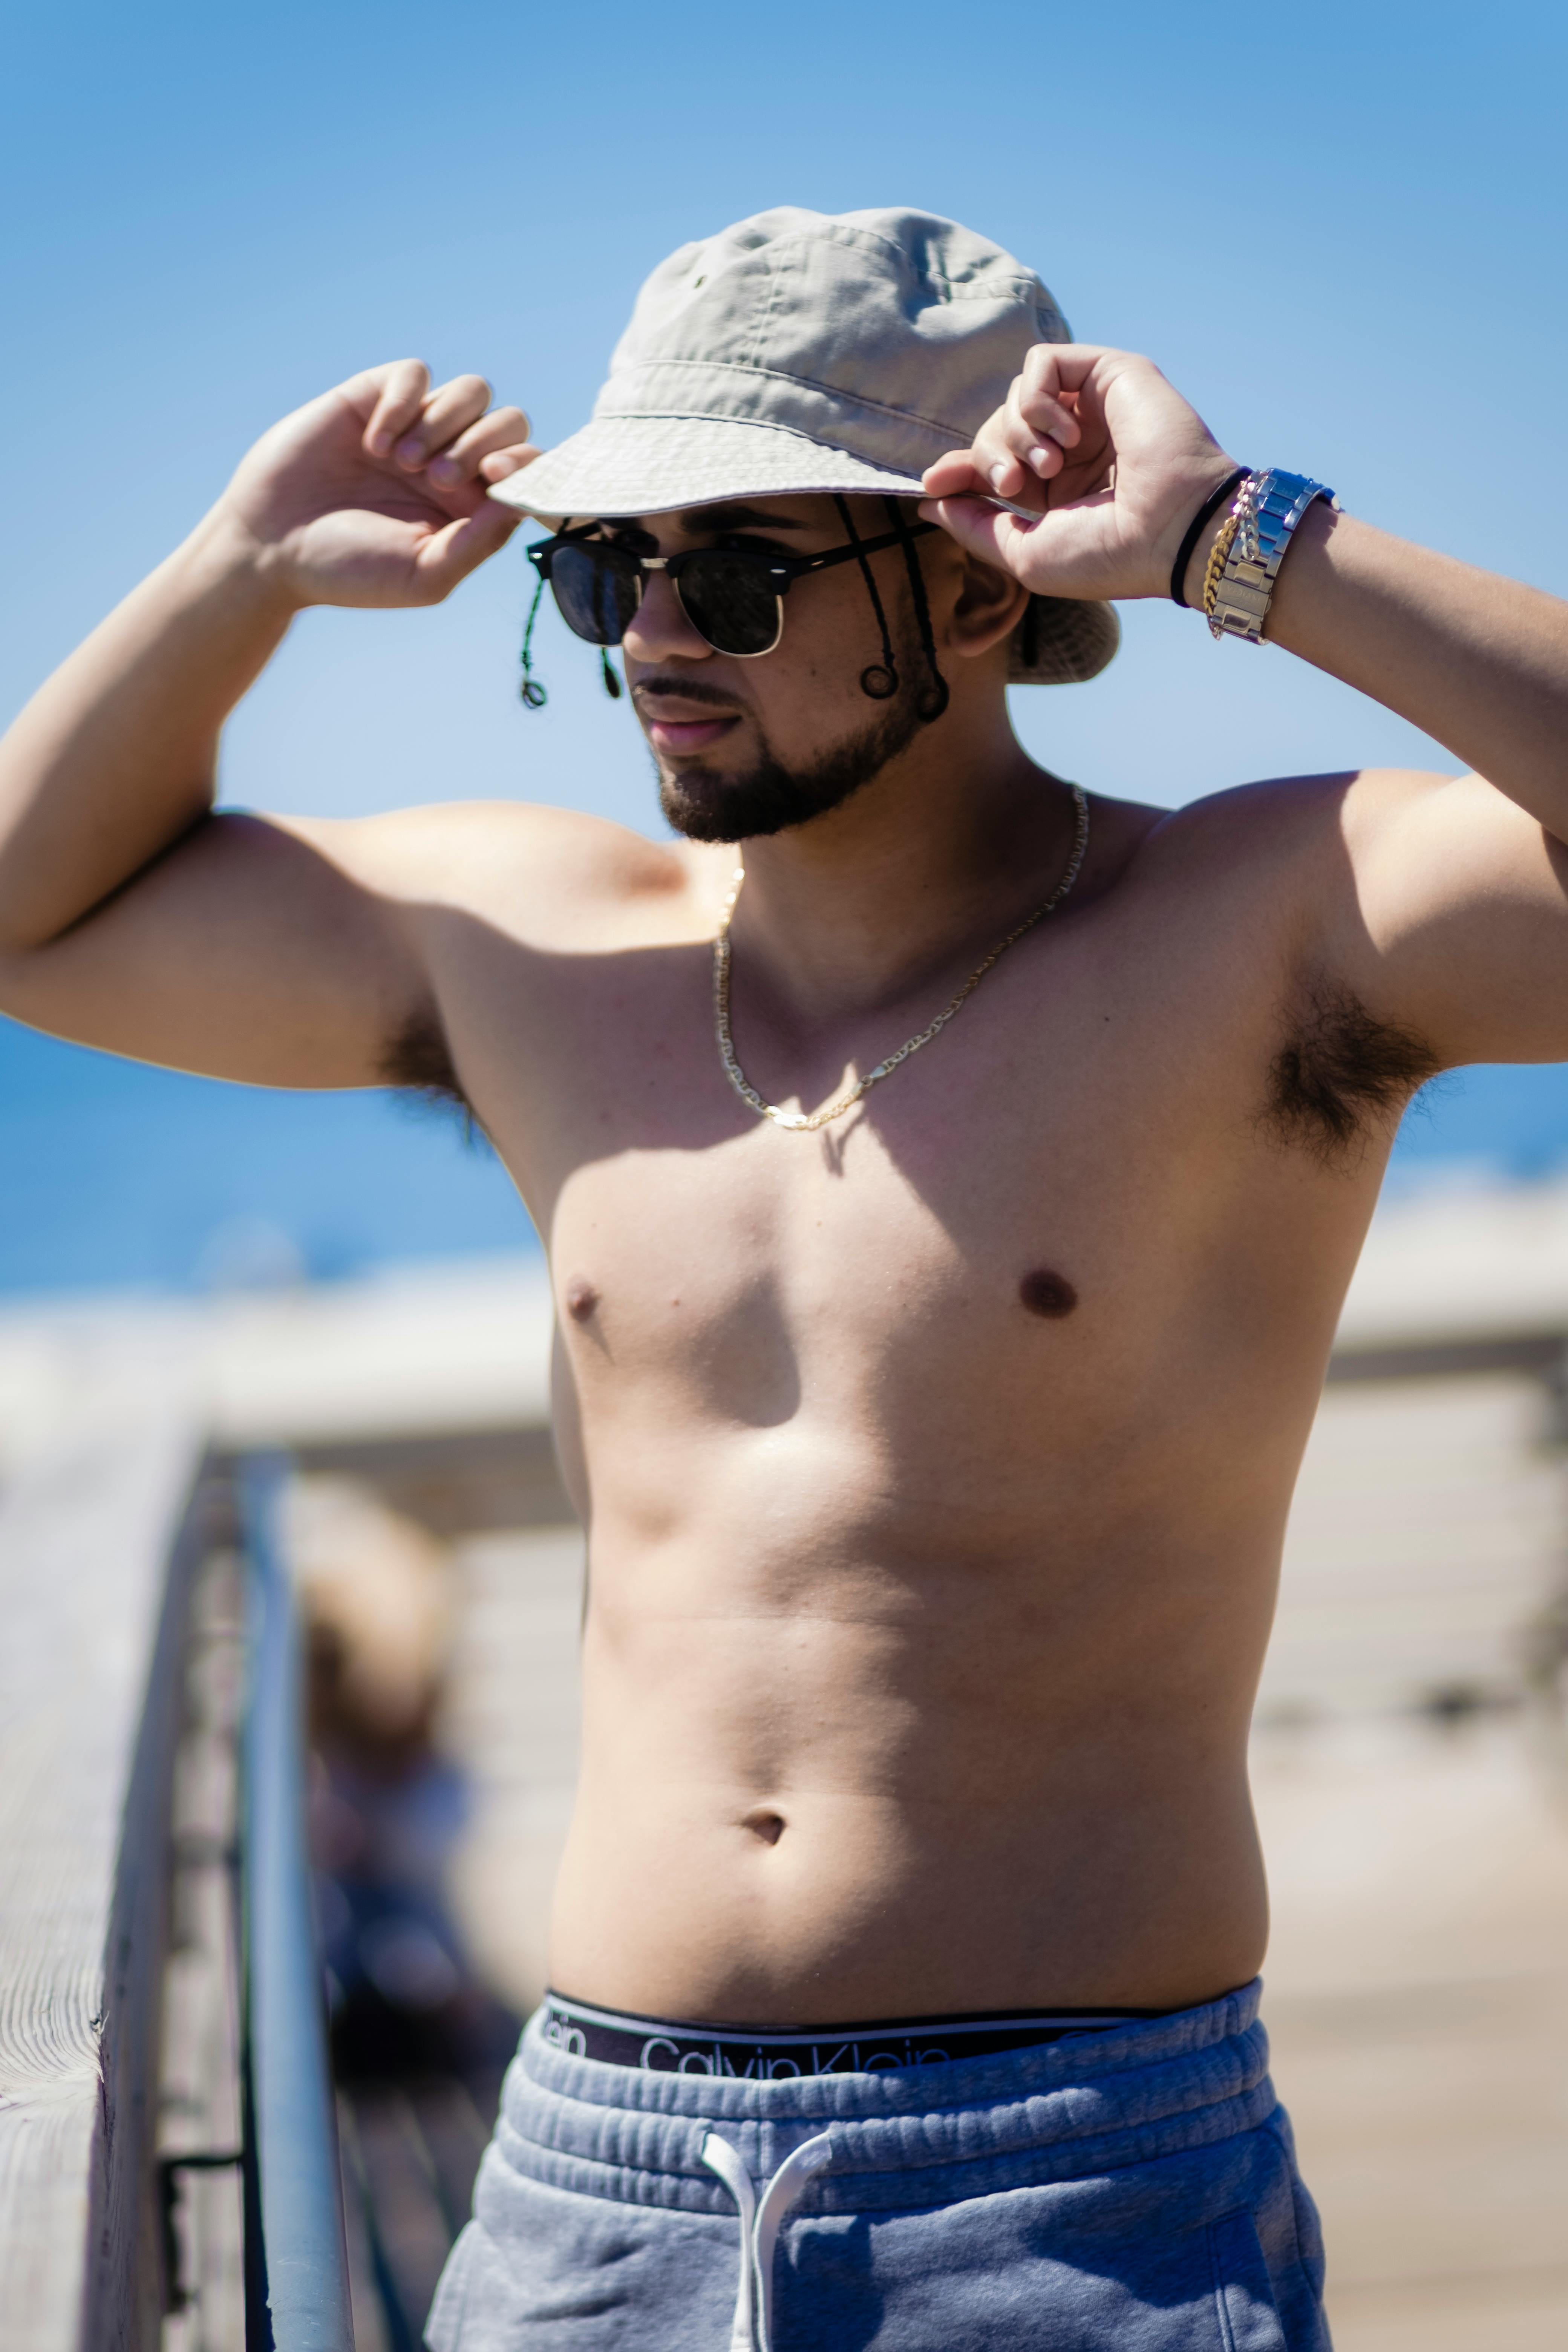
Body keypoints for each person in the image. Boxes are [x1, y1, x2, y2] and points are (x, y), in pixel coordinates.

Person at [2, 205, 1565, 2350]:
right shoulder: (535, 947)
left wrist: (1234, 537)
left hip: (1078, 2194)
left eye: (731, 568)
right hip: (584, 2194)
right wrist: (234, 574)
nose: (651, 632)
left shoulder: (1264, 934)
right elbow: (31, 919)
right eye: (605, 565)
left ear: (980, 577)